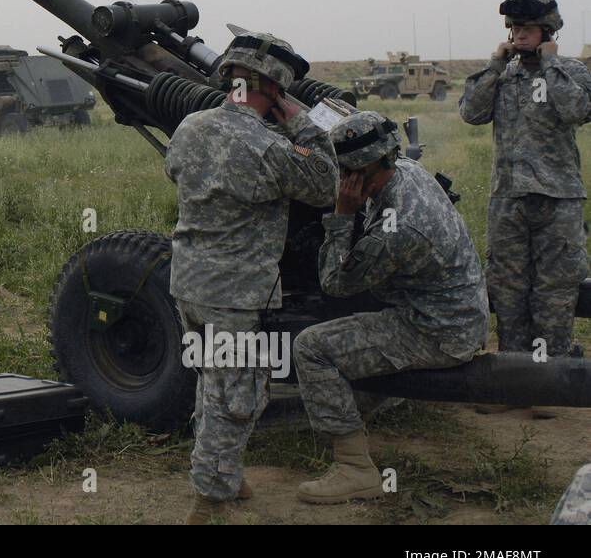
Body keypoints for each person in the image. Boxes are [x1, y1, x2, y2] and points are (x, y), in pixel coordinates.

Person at [164, 31, 337, 524]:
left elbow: (176, 172)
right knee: (236, 393)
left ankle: (226, 475)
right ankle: (211, 501)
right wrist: (302, 125)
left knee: (209, 382)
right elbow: (325, 185)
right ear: (273, 89)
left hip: (190, 284)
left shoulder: (191, 126)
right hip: (236, 295)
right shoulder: (268, 146)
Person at [292, 111, 488, 503]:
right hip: (454, 311)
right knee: (356, 328)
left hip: (437, 331)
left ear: (359, 173)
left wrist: (342, 215)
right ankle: (353, 417)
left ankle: (355, 469)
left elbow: (335, 283)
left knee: (312, 347)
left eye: (342, 171)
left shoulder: (396, 232)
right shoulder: (408, 169)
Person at [459, 0, 591, 417]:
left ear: (548, 32)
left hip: (559, 199)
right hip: (509, 199)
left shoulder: (570, 72)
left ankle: (548, 385)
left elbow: (575, 110)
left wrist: (550, 62)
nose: (519, 35)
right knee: (509, 291)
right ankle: (513, 383)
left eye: (528, 29)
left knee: (554, 293)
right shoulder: (504, 75)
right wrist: (497, 64)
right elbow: (472, 113)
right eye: (514, 29)